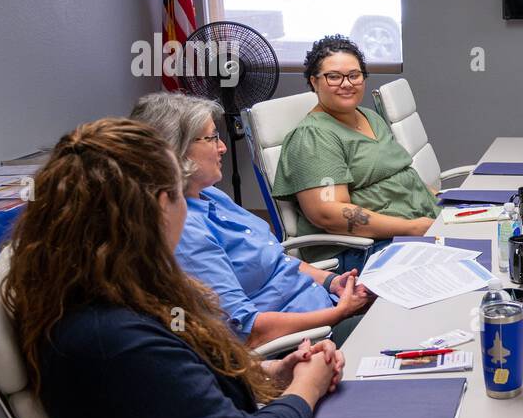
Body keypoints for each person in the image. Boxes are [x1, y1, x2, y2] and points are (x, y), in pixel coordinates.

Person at [1, 119, 343, 418]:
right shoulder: (115, 339)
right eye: (181, 194)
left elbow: (186, 389)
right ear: (161, 207)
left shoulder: (112, 289)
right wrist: (306, 388)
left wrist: (275, 372)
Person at [131, 93, 372, 348]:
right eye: (212, 138)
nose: (223, 147)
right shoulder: (184, 232)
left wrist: (331, 282)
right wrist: (340, 313)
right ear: (176, 150)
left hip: (322, 307)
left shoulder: (209, 194)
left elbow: (273, 258)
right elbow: (249, 331)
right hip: (303, 342)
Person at [272, 34, 438, 272]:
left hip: (419, 224)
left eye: (354, 75)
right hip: (362, 249)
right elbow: (329, 213)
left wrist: (437, 198)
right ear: (314, 82)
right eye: (333, 77)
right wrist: (411, 228)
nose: (347, 83)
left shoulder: (368, 116)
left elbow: (397, 173)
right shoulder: (314, 137)